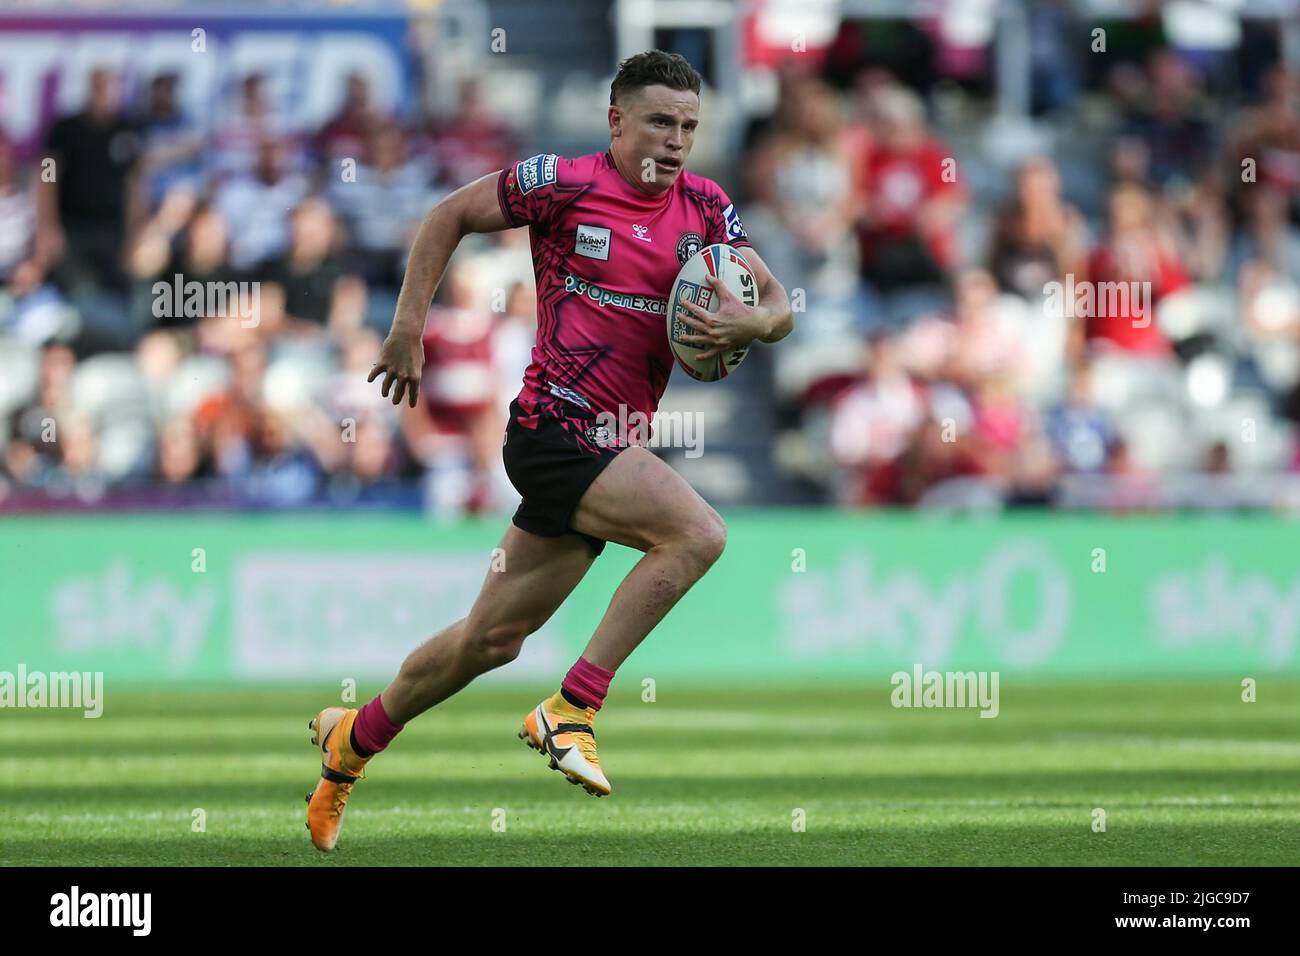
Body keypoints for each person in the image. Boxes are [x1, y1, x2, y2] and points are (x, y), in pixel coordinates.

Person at [304, 50, 793, 852]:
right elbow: (446, 216)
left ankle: (351, 740)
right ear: (616, 121)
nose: (676, 142)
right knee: (699, 533)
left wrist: (753, 324)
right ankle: (574, 706)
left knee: (489, 641)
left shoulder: (706, 206)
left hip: (608, 447)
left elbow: (776, 304)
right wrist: (405, 330)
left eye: (690, 127)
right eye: (660, 122)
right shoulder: (561, 183)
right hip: (555, 428)